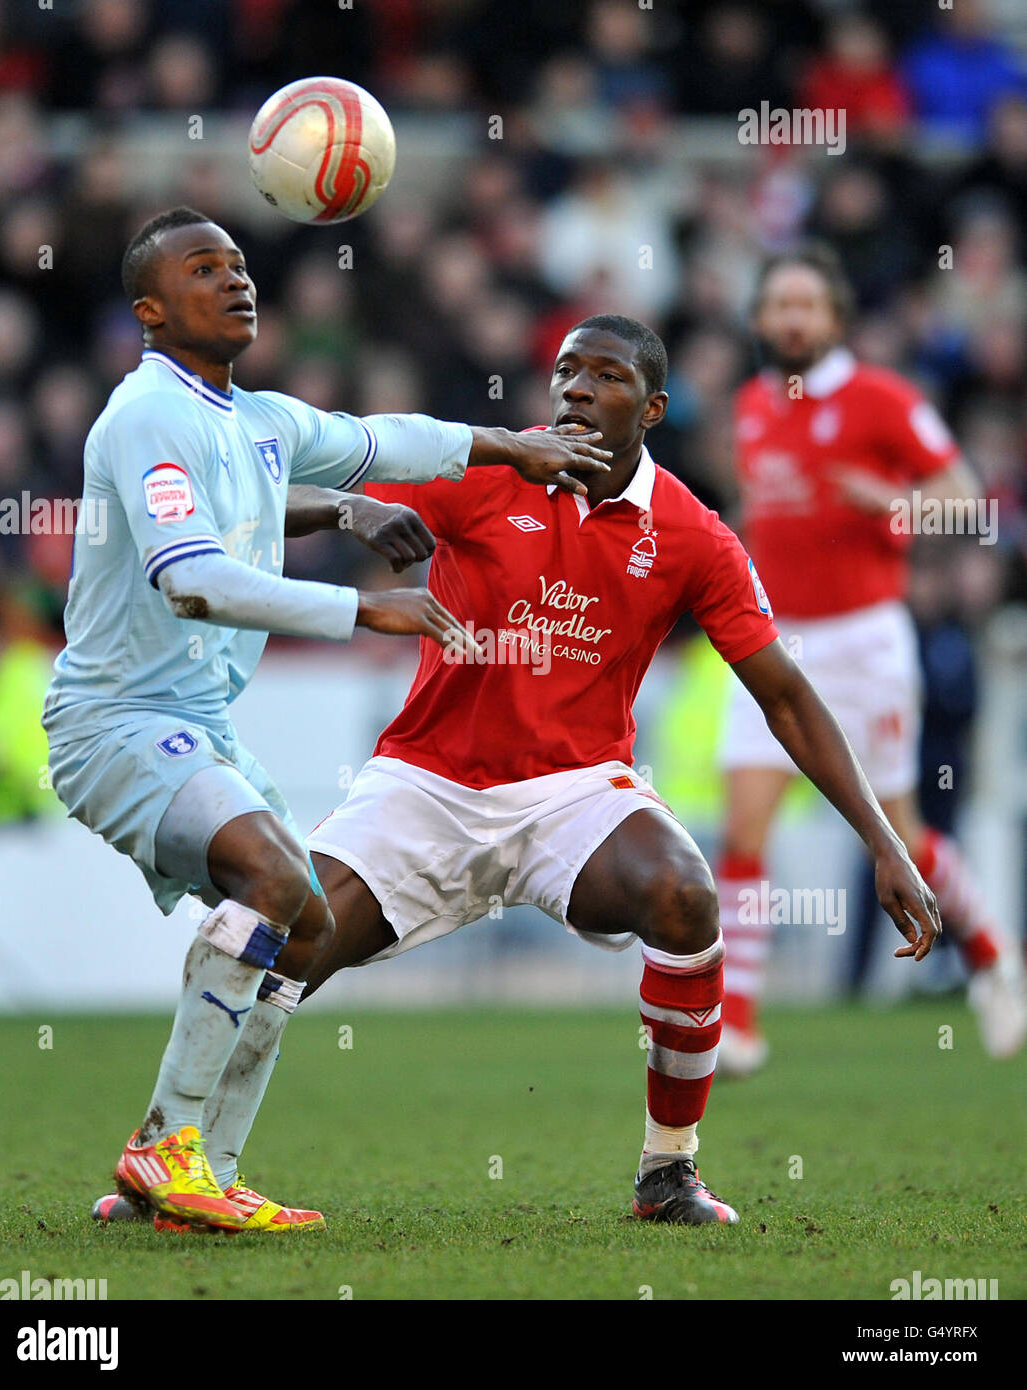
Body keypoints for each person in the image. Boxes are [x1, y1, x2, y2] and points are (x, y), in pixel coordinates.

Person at [92, 313, 939, 1228]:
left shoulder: (693, 535)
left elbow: (785, 696)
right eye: (567, 372)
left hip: (573, 793)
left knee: (684, 895)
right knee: (287, 934)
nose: (576, 388)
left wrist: (885, 842)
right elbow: (260, 503)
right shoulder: (488, 473)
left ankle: (668, 1173)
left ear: (652, 407)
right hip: (425, 783)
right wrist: (346, 507)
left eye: (605, 376)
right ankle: (178, 1173)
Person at [47, 205, 613, 1234]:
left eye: (240, 264)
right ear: (149, 310)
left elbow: (383, 441)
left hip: (196, 724)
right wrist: (365, 609)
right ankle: (162, 1145)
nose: (235, 280)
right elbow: (192, 579)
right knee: (271, 879)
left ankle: (193, 1178)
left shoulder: (252, 418)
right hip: (116, 719)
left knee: (302, 925)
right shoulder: (144, 417)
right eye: (203, 269)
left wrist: (509, 448)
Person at [715, 244, 1026, 1075]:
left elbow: (965, 499)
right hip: (774, 641)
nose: (791, 318)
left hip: (865, 639)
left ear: (835, 319)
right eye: (778, 304)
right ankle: (738, 1022)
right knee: (744, 825)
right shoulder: (750, 405)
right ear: (758, 320)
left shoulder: (882, 398)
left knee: (900, 833)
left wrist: (892, 501)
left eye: (806, 304)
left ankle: (995, 957)